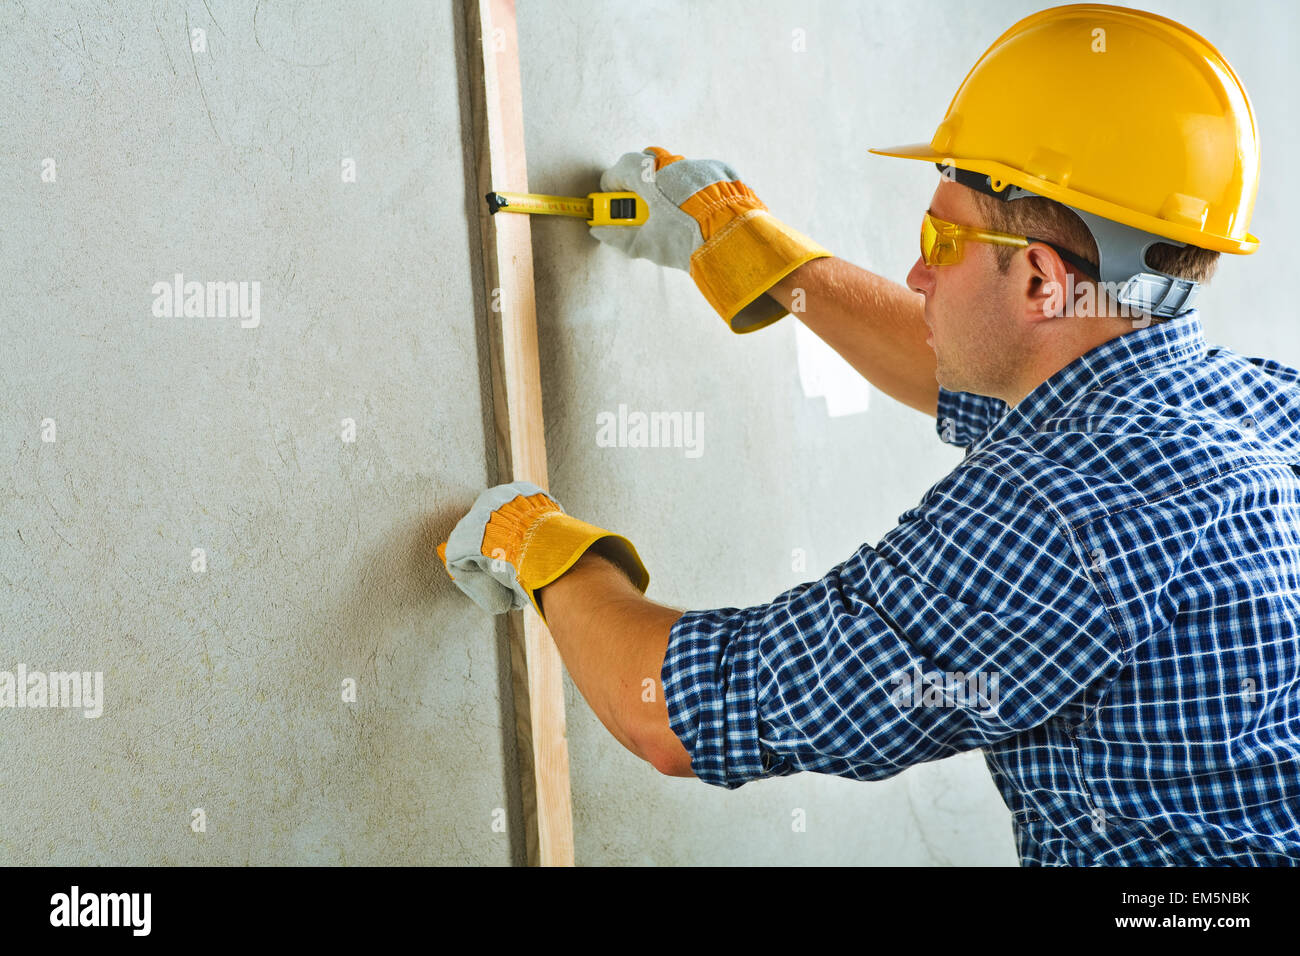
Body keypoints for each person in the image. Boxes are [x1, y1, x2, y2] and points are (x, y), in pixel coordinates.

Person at [437, 4, 1300, 865]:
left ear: (1043, 282)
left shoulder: (1057, 513)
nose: (918, 272)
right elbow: (1004, 381)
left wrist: (548, 552)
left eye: (942, 238)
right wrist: (761, 256)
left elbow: (685, 713)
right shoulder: (1261, 411)